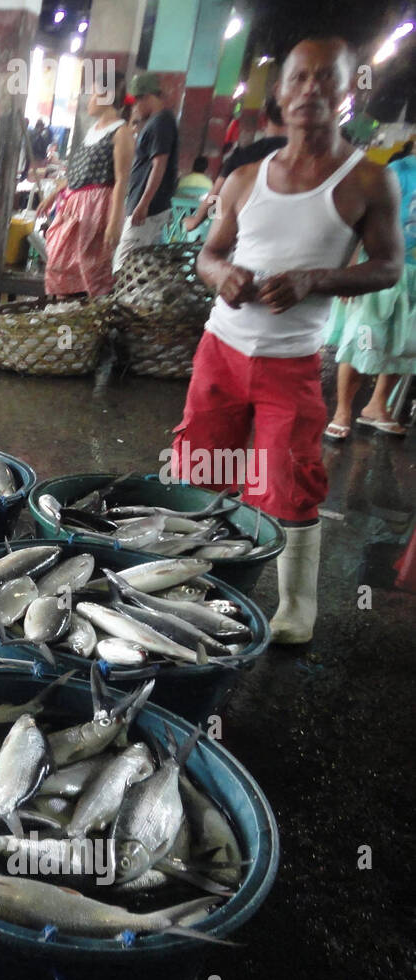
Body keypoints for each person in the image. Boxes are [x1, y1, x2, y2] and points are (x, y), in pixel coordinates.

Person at [170, 38, 403, 645]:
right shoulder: (247, 176)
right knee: (203, 466)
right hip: (220, 351)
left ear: (351, 89)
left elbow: (388, 267)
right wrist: (222, 275)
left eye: (327, 79)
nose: (310, 90)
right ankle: (200, 580)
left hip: (291, 364)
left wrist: (315, 280)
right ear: (280, 91)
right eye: (299, 78)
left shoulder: (369, 180)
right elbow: (210, 254)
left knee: (288, 481)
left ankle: (297, 604)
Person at [325, 149, 416, 439]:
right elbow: (363, 218)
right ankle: (342, 411)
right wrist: (352, 268)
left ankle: (377, 406)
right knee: (362, 336)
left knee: (405, 341)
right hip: (380, 264)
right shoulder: (397, 171)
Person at [41, 72, 132, 299]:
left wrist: (114, 223)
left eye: (92, 94)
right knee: (60, 264)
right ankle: (65, 312)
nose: (89, 100)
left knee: (90, 269)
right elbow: (77, 174)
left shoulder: (121, 133)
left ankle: (89, 318)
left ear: (104, 95)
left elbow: (121, 179)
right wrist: (53, 195)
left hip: (97, 208)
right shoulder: (93, 130)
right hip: (74, 206)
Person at [184, 95, 286, 234]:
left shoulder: (244, 156)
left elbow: (215, 196)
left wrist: (195, 221)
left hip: (243, 235)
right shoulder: (310, 159)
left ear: (263, 118)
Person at [113, 72, 178, 272]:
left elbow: (160, 165)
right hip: (147, 209)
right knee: (141, 268)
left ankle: (123, 302)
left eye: (136, 102)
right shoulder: (156, 122)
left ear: (147, 97)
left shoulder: (161, 122)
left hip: (147, 212)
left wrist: (143, 204)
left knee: (123, 267)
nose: (134, 108)